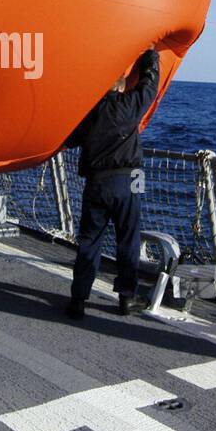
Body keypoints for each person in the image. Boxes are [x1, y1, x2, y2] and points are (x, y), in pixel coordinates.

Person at [61, 48, 160, 319]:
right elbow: (150, 86)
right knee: (128, 240)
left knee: (89, 241)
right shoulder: (129, 107)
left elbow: (67, 139)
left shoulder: (87, 116)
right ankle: (127, 297)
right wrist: (151, 56)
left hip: (96, 184)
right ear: (120, 84)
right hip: (129, 182)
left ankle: (78, 298)